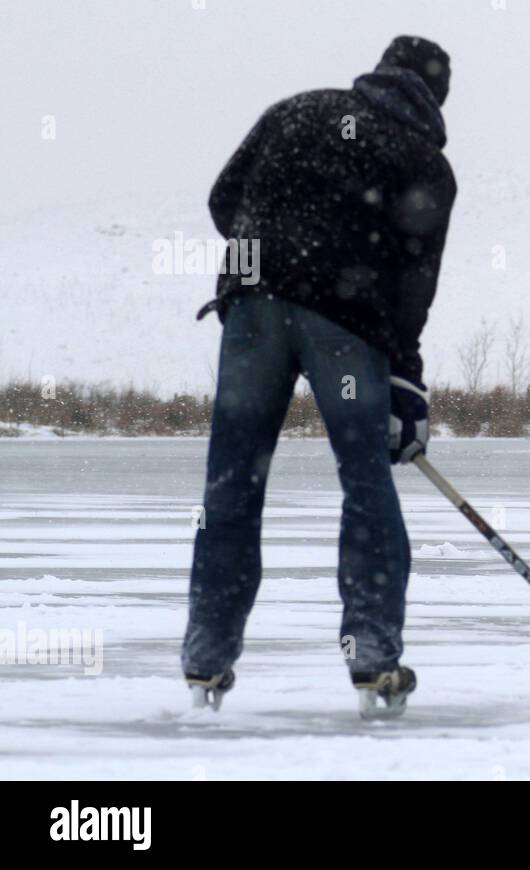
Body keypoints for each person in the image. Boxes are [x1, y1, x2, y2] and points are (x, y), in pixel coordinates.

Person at [183, 36, 457, 717]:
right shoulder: (423, 158)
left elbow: (224, 200)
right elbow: (413, 287)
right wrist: (407, 385)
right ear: (436, 97)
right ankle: (373, 660)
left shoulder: (295, 111)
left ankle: (206, 663)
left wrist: (264, 252)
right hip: (346, 326)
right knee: (365, 481)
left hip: (253, 311)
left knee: (232, 482)